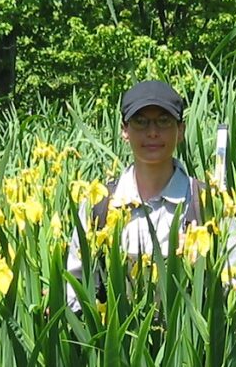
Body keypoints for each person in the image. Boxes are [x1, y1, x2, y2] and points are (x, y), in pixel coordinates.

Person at [65, 80, 204, 312]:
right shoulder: (99, 204)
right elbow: (75, 292)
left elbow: (233, 287)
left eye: (163, 121)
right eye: (140, 122)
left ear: (180, 130)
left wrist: (201, 263)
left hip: (187, 343)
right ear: (124, 131)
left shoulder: (203, 203)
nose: (152, 132)